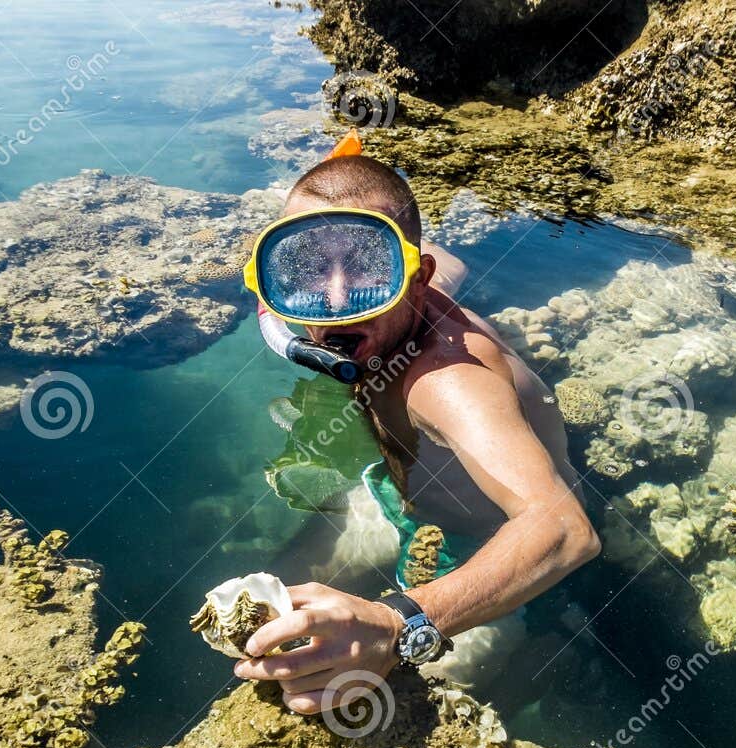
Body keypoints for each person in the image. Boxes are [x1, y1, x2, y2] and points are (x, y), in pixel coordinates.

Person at [236, 144, 599, 716]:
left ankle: (547, 664)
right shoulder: (423, 281)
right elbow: (447, 259)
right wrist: (346, 196)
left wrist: (394, 620)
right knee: (269, 608)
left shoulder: (446, 383)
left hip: (485, 553)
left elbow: (563, 528)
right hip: (403, 495)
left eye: (365, 270)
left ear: (415, 279)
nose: (335, 306)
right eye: (307, 267)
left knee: (363, 706)